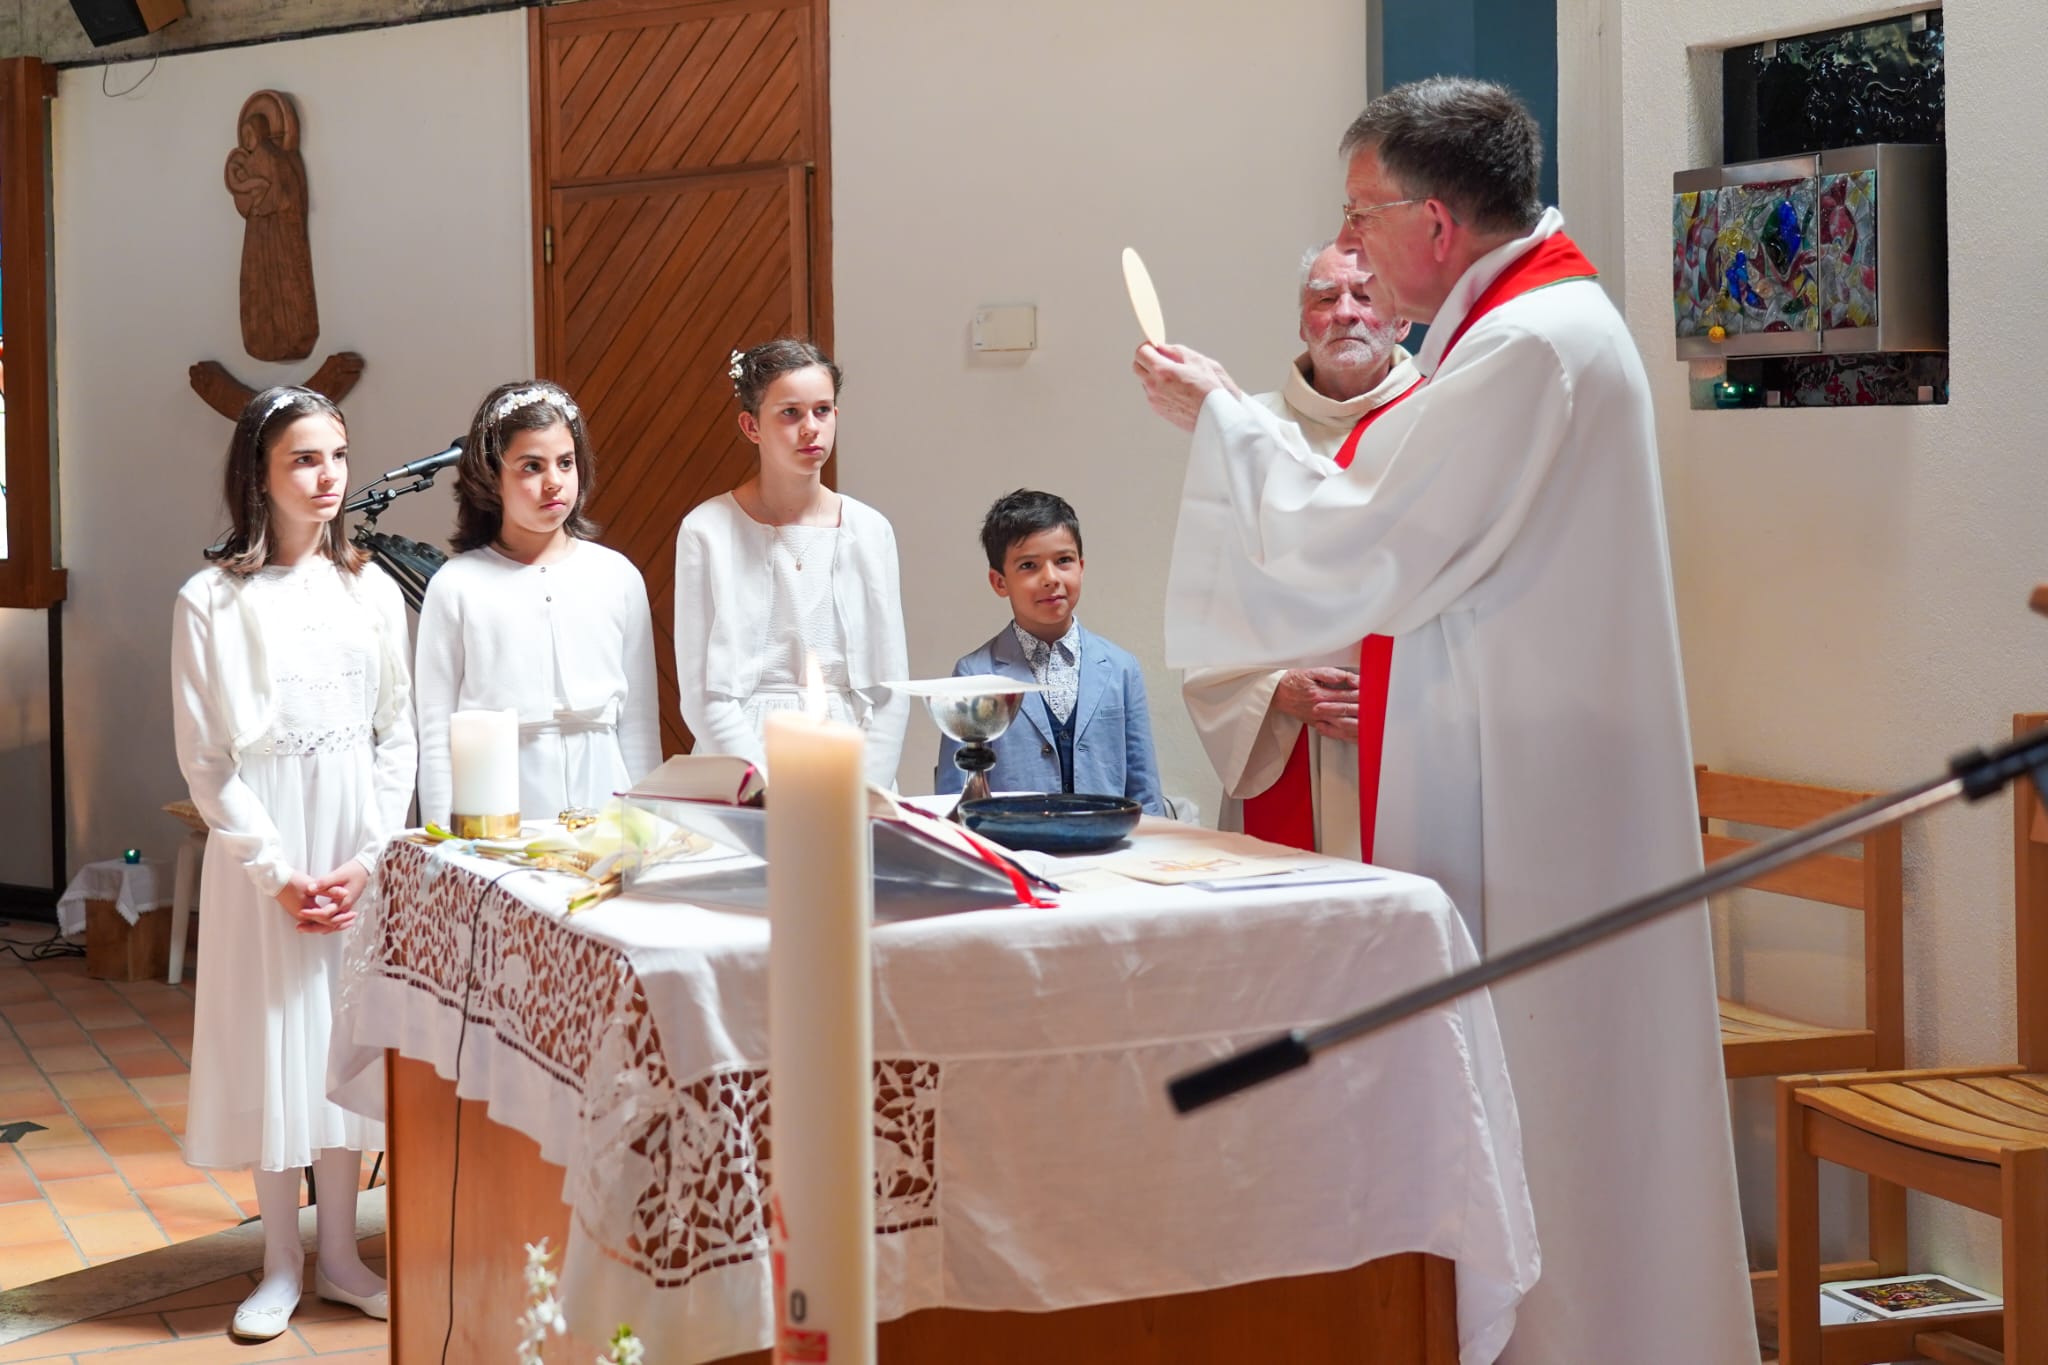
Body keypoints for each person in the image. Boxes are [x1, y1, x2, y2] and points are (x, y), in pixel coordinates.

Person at [1132, 78, 1756, 1363]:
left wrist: (1222, 421)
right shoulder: (1530, 326)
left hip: (1532, 804)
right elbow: (1390, 518)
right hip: (1527, 773)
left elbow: (1364, 547)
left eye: (1360, 217)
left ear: (1430, 218)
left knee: (1553, 1100)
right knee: (1550, 1097)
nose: (1348, 247)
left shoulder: (1529, 343)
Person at [170, 386, 414, 1340]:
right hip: (265, 850)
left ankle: (345, 1255)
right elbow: (206, 760)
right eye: (303, 460)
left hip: (352, 839)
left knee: (344, 1042)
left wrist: (366, 858)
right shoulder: (210, 601)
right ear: (258, 477)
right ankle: (278, 1261)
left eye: (337, 457)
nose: (327, 477)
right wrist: (276, 871)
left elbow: (400, 737)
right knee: (279, 1041)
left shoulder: (373, 588)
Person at [1181, 241, 1418, 855]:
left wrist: (1404, 698)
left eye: (1365, 296)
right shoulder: (1248, 428)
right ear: (1302, 320)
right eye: (1324, 298)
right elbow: (1212, 603)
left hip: (1409, 746)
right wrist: (1272, 689)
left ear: (1403, 319)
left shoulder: (1436, 421)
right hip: (1283, 738)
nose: (1344, 312)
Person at [414, 380, 660, 827]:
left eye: (565, 463)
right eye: (531, 466)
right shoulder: (457, 585)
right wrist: (443, 844)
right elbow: (435, 738)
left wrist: (646, 829)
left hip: (606, 796)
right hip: (499, 801)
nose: (554, 483)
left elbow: (640, 727)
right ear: (493, 477)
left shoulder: (617, 576)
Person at [674, 339, 908, 789]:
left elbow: (890, 689)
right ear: (751, 426)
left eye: (822, 411)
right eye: (790, 413)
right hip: (742, 753)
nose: (810, 428)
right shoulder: (707, 531)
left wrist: (868, 787)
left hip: (850, 755)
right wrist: (763, 784)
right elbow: (703, 695)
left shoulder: (870, 530)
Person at [936, 490, 1165, 814]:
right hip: (1013, 853)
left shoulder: (1121, 668)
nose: (1051, 578)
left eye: (1063, 561)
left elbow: (1145, 788)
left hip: (1107, 852)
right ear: (999, 582)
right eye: (1029, 565)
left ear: (1081, 567)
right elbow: (952, 796)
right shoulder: (974, 674)